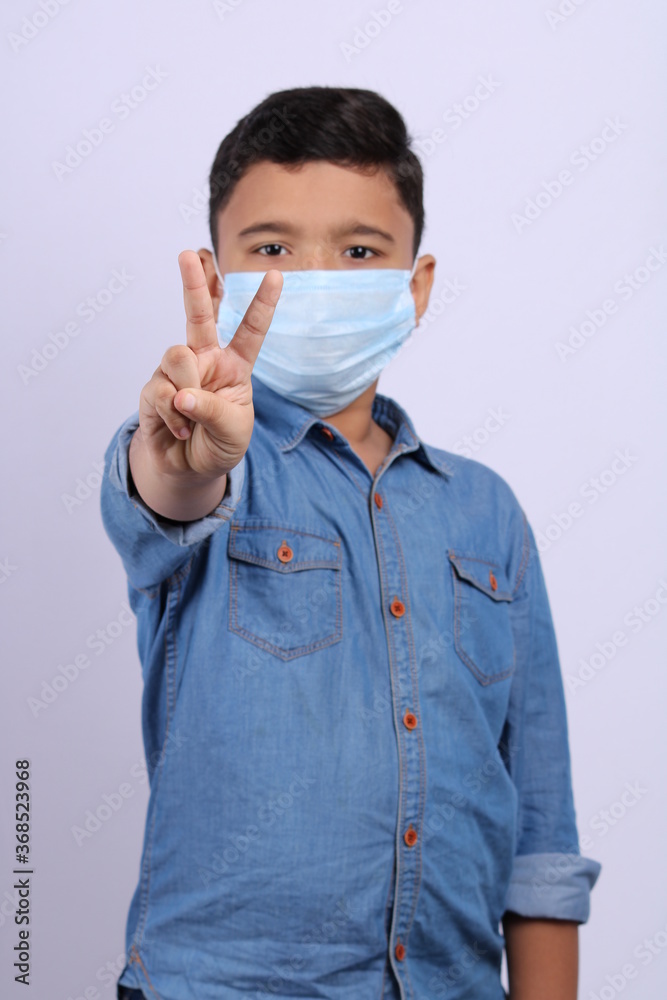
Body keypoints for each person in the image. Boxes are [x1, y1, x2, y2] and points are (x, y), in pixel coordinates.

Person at [101, 86, 602, 1000]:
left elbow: (540, 835)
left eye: (360, 250)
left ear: (415, 286)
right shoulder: (211, 457)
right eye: (273, 248)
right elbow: (164, 495)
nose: (315, 278)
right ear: (218, 281)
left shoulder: (487, 513)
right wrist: (182, 452)